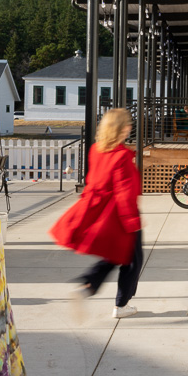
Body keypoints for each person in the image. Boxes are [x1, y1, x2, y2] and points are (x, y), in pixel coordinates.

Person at [50, 108, 143, 318]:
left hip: (104, 213)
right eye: (127, 124)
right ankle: (121, 305)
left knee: (115, 257)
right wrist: (132, 220)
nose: (130, 127)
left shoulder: (96, 150)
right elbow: (124, 192)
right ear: (120, 129)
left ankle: (87, 288)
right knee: (132, 260)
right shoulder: (121, 156)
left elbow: (94, 181)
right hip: (120, 216)